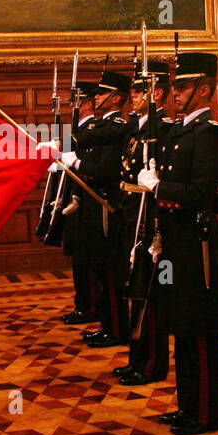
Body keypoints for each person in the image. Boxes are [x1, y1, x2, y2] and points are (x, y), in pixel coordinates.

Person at [137, 52, 218, 435]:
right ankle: (188, 405)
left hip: (197, 242)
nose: (174, 93)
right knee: (181, 327)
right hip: (174, 242)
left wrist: (159, 186)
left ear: (204, 90)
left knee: (201, 330)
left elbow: (200, 193)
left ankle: (206, 413)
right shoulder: (179, 132)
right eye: (174, 86)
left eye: (183, 86)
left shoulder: (209, 134)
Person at [64, 70, 133, 348]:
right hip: (94, 206)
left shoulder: (115, 127)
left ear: (116, 98)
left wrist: (76, 163)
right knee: (100, 271)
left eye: (102, 94)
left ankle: (116, 329)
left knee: (110, 273)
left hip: (107, 207)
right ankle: (108, 325)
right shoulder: (101, 128)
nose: (96, 98)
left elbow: (105, 169)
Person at [115, 60, 171, 385]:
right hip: (131, 208)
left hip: (148, 213)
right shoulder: (138, 128)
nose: (133, 97)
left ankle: (151, 364)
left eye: (139, 90)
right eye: (134, 91)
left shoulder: (161, 128)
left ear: (156, 92)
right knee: (133, 288)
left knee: (149, 289)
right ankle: (136, 358)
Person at [60, 84, 101, 328]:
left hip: (89, 202)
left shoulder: (94, 130)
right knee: (79, 259)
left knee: (88, 261)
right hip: (76, 200)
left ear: (86, 105)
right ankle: (83, 303)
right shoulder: (77, 131)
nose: (71, 106)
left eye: (76, 101)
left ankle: (90, 306)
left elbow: (91, 167)